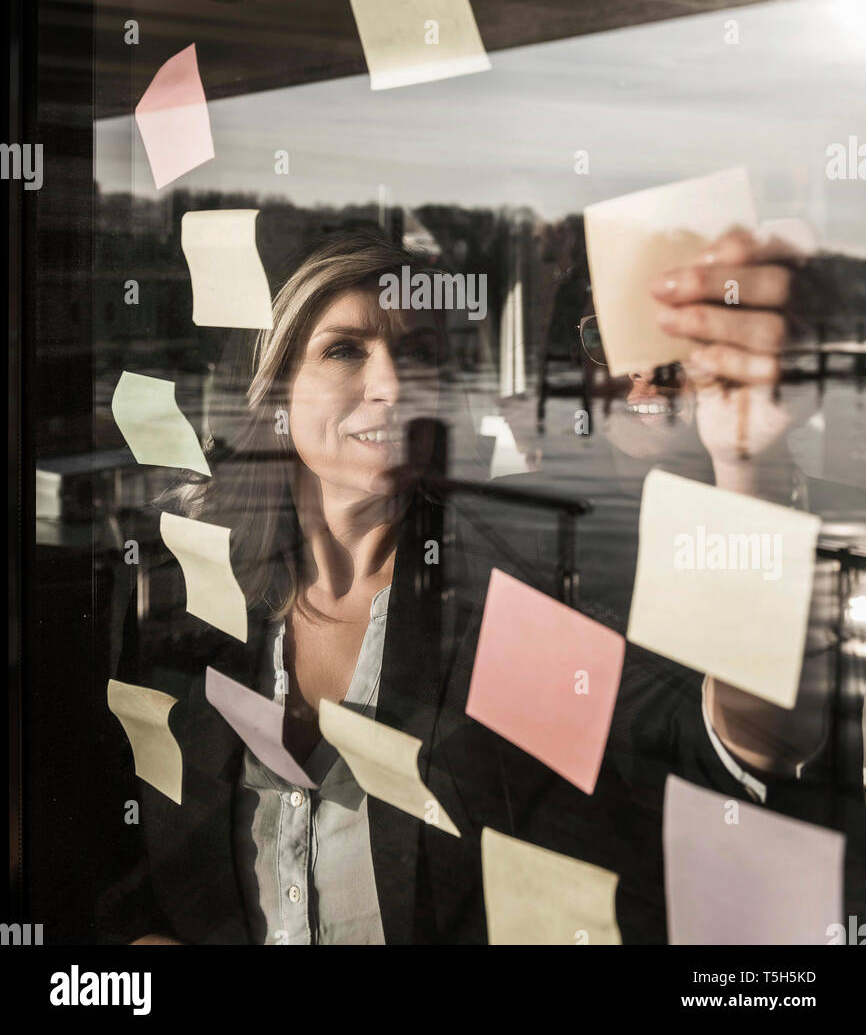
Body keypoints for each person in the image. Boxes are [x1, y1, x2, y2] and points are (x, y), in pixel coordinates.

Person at [104, 226, 865, 945]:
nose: (392, 383)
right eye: (344, 350)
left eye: (421, 353)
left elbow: (732, 743)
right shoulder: (194, 596)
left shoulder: (499, 594)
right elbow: (124, 854)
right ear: (273, 396)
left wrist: (748, 467)